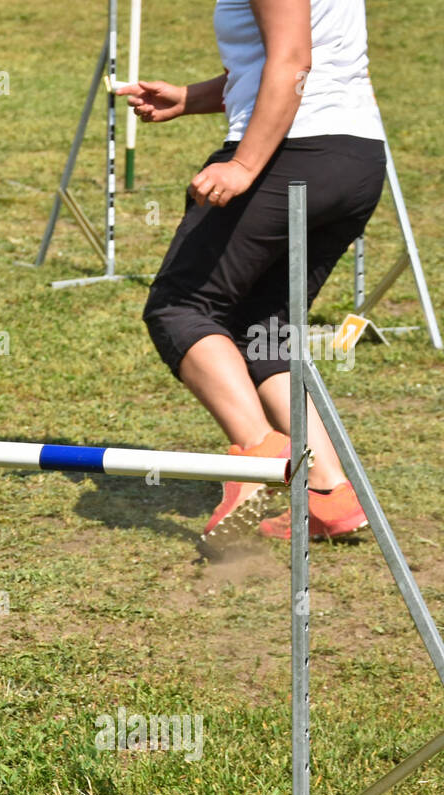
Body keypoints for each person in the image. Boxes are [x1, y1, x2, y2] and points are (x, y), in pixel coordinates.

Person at [118, 0, 387, 555]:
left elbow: (291, 60)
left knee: (182, 307)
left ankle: (263, 452)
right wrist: (190, 98)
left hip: (296, 150)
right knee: (264, 329)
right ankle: (330, 493)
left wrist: (242, 164)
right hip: (352, 157)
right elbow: (277, 59)